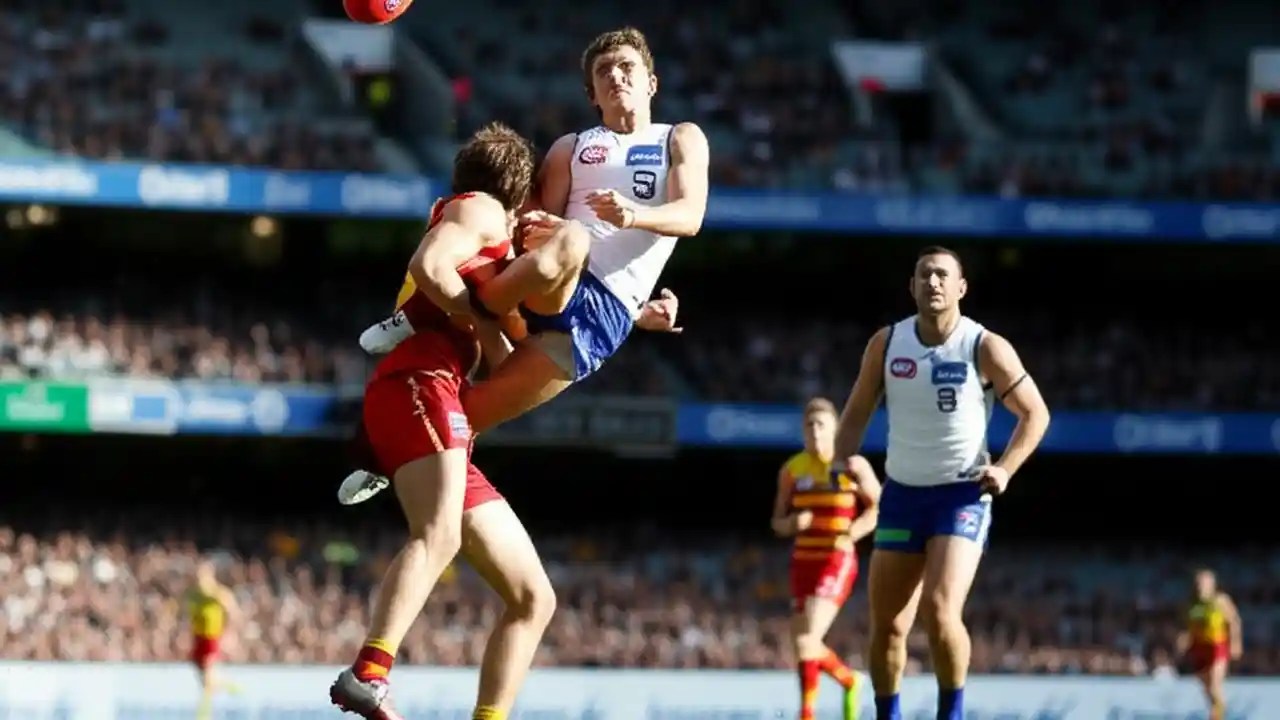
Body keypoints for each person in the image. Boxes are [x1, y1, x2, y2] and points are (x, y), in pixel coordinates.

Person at [355, 25, 706, 433]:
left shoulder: (679, 138)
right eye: (604, 71)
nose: (615, 75)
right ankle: (440, 308)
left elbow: (689, 216)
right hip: (549, 283)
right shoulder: (571, 148)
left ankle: (383, 445)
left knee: (461, 422)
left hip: (607, 315)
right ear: (592, 95)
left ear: (652, 83)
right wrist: (553, 232)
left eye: (627, 67)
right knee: (572, 237)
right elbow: (529, 230)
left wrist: (633, 229)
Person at [329, 122, 558, 720]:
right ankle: (368, 673)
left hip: (439, 394)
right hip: (419, 382)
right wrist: (480, 312)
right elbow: (430, 264)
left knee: (533, 597)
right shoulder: (481, 209)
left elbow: (497, 360)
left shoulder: (489, 246)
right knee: (439, 535)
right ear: (518, 190)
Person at [830, 246, 1050, 720]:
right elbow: (855, 414)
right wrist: (839, 464)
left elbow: (1036, 414)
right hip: (901, 496)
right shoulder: (887, 344)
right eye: (925, 275)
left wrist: (1005, 468)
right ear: (911, 286)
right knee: (889, 626)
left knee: (939, 608)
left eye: (942, 275)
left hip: (961, 496)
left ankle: (951, 714)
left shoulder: (984, 345)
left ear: (961, 288)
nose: (933, 282)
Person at [771, 397, 880, 720]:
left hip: (836, 559)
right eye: (809, 425)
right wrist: (793, 523)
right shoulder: (792, 470)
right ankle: (849, 681)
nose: (815, 431)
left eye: (821, 425)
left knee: (808, 640)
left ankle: (806, 715)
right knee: (802, 648)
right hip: (802, 562)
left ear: (835, 429)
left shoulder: (852, 466)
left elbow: (878, 507)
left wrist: (853, 533)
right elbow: (777, 522)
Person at [1177, 568, 1243, 720]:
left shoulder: (1220, 600)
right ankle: (1218, 710)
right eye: (1199, 583)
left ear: (1212, 585)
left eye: (1204, 583)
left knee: (1214, 685)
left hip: (1217, 646)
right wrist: (1183, 640)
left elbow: (1234, 621)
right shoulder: (1191, 604)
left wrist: (1236, 643)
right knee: (1207, 688)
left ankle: (1217, 715)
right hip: (1199, 647)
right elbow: (1186, 626)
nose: (1201, 586)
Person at [185, 560, 241, 720]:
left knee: (207, 681)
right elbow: (186, 613)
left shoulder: (218, 593)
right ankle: (229, 686)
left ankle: (204, 716)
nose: (198, 577)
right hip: (198, 638)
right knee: (204, 679)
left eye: (201, 574)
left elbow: (233, 611)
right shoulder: (193, 593)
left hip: (212, 637)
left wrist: (229, 633)